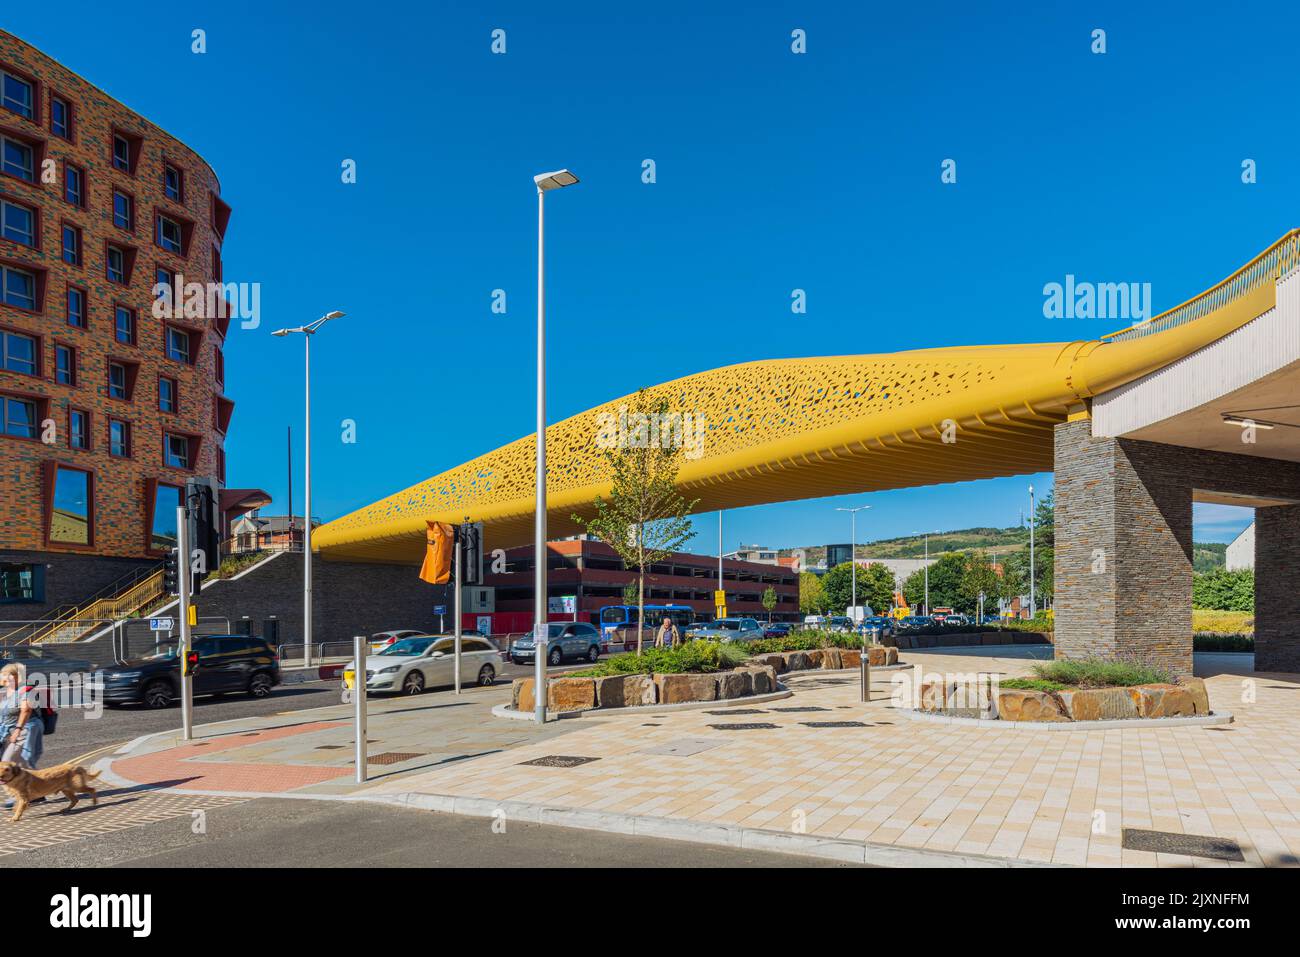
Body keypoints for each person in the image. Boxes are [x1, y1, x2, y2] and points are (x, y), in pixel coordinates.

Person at [0, 664, 44, 809]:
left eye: (9, 674)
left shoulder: (25, 691)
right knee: (25, 763)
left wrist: (18, 729)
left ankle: (17, 795)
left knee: (8, 762)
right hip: (10, 731)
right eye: (3, 674)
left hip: (27, 728)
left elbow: (26, 711)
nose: (5, 677)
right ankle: (38, 793)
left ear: (17, 677)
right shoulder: (5, 692)